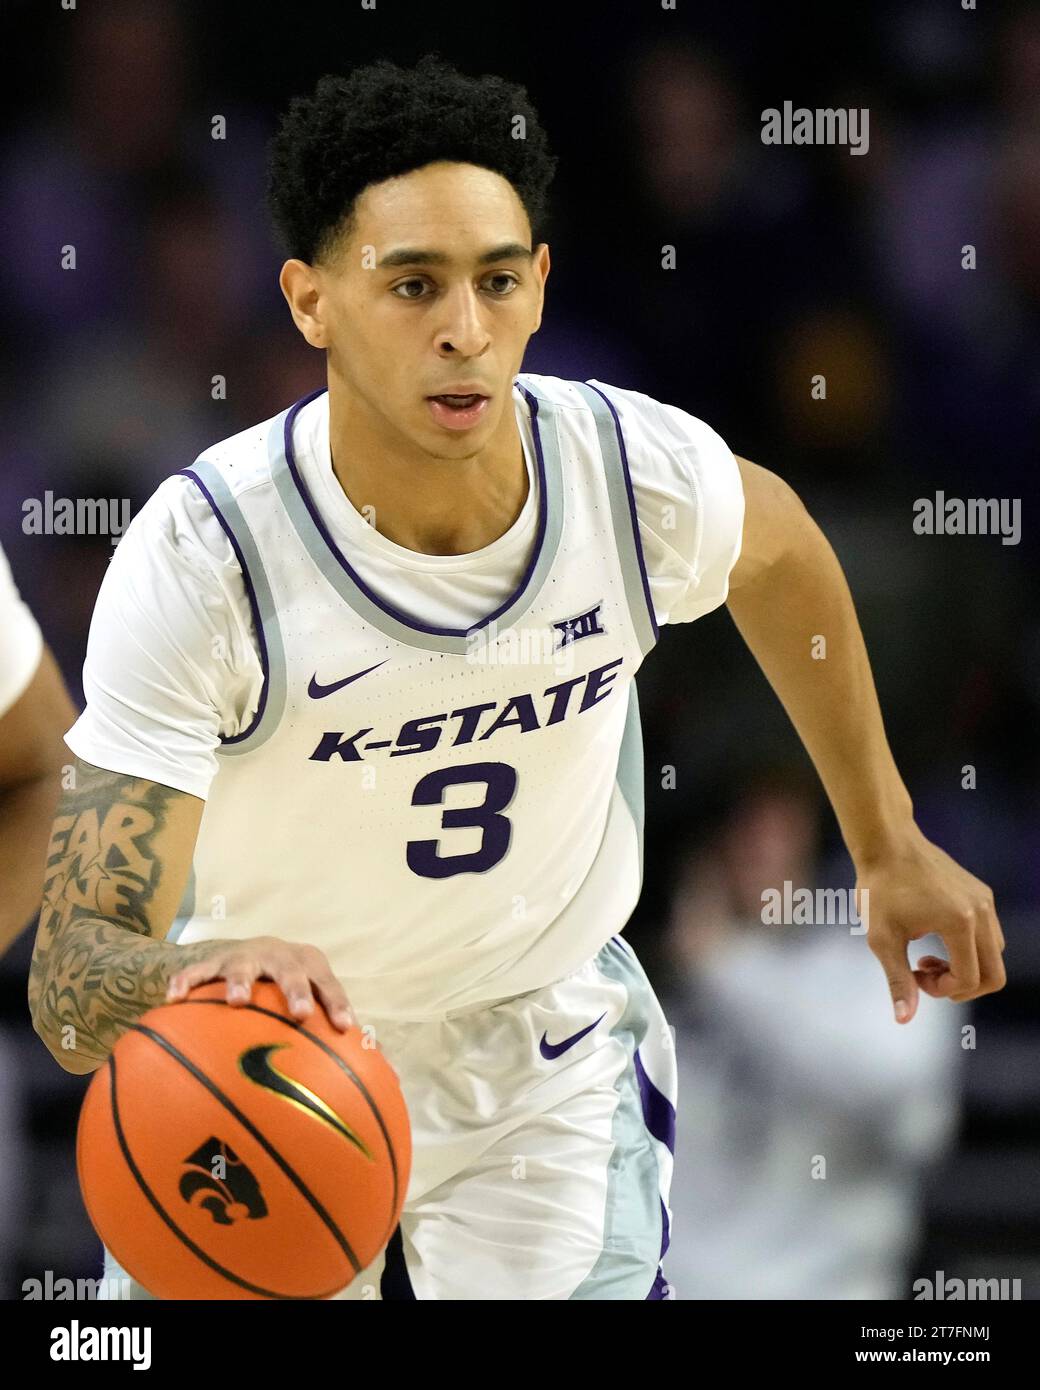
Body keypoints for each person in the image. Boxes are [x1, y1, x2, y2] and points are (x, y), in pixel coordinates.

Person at [28, 54, 1005, 1301]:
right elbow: (70, 984)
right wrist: (196, 975)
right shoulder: (206, 551)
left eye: (496, 280)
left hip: (535, 1062)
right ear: (309, 300)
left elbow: (779, 548)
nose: (463, 329)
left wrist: (884, 840)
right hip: (256, 1062)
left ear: (540, 282)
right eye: (412, 285)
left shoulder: (622, 470)